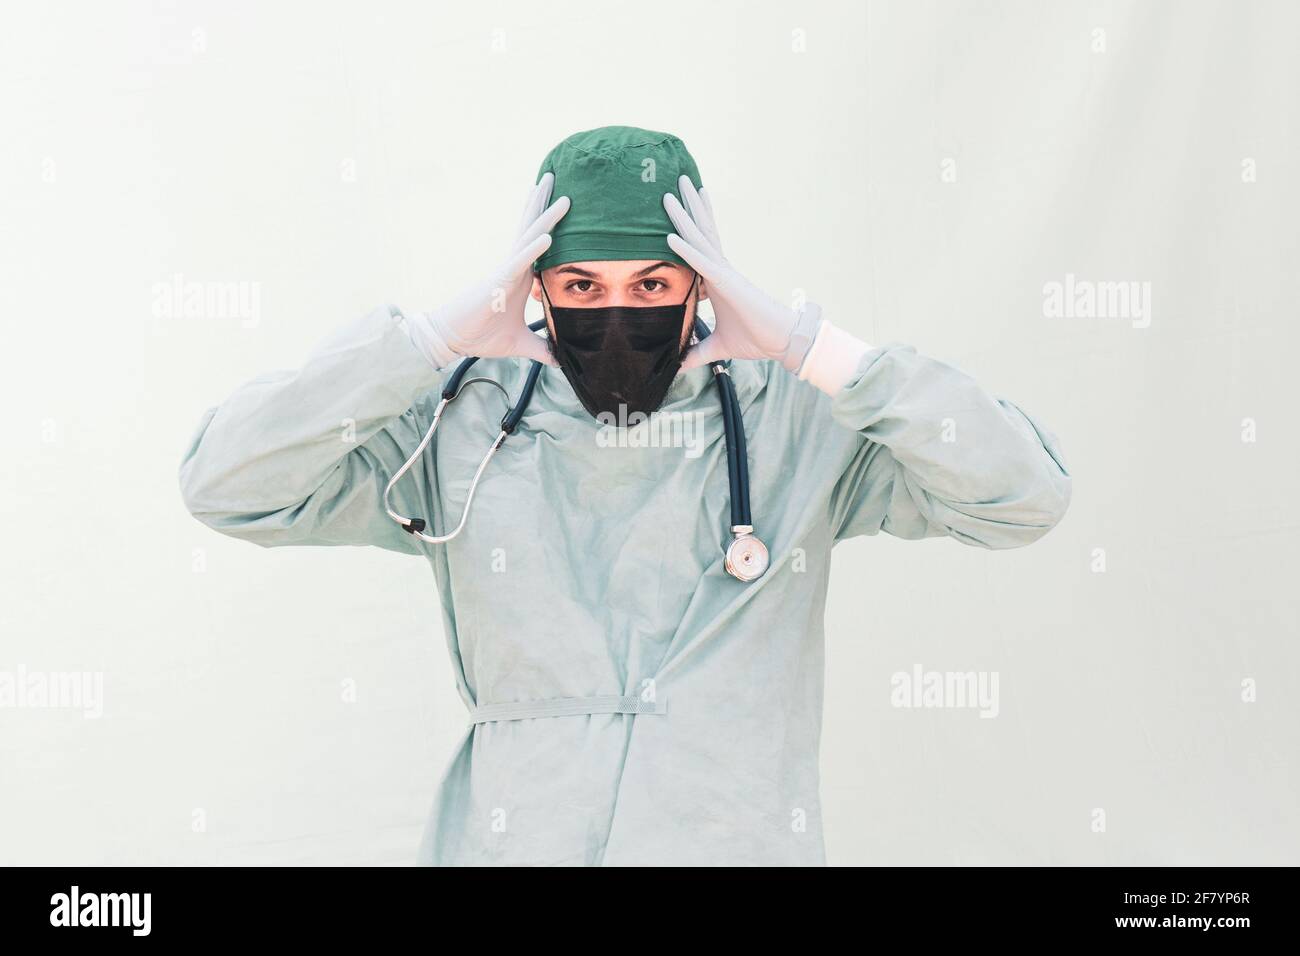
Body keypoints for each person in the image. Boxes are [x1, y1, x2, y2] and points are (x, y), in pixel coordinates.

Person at [179, 126, 1072, 866]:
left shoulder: (800, 425)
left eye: (652, 284)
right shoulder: (462, 426)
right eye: (580, 287)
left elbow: (1025, 496)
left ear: (703, 286)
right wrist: (428, 341)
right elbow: (227, 483)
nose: (618, 314)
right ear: (535, 290)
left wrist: (811, 346)